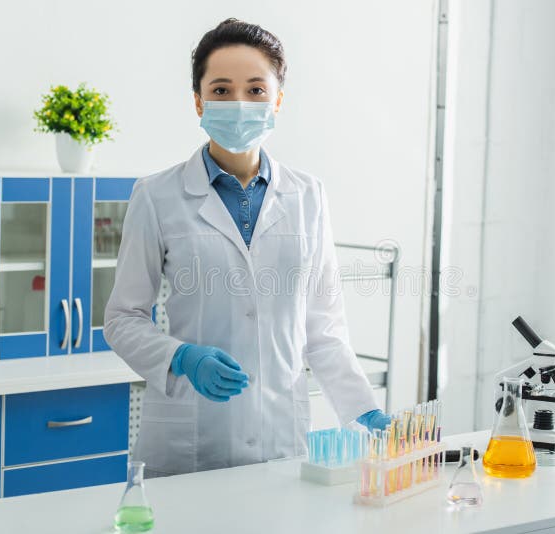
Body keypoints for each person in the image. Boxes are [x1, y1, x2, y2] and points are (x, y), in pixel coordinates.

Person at [104, 18, 391, 477]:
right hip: (189, 440)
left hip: (279, 437)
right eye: (221, 90)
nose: (238, 103)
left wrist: (363, 412)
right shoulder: (156, 195)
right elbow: (122, 318)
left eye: (256, 90)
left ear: (278, 99)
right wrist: (180, 356)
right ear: (198, 101)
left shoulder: (308, 194)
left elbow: (323, 329)